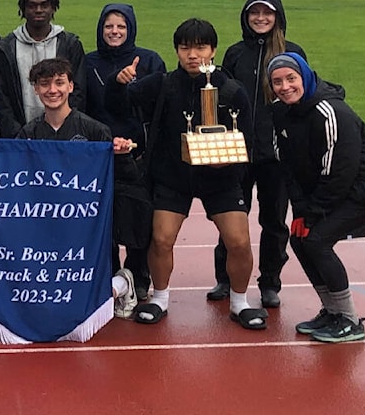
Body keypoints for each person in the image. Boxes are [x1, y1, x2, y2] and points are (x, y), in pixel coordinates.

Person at [106, 18, 265, 329]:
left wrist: (228, 163)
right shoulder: (163, 83)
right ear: (177, 51)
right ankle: (161, 298)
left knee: (239, 241)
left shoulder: (232, 91)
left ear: (214, 50)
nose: (193, 54)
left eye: (201, 47)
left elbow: (247, 141)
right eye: (185, 48)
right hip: (172, 176)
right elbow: (117, 104)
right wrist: (117, 81)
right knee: (162, 238)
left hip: (221, 178)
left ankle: (239, 302)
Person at [268, 53, 365, 343]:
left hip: (363, 188)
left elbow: (339, 171)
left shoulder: (330, 112)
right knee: (299, 238)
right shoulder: (280, 112)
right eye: (277, 82)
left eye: (291, 78)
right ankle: (333, 311)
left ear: (305, 77)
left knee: (317, 241)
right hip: (328, 189)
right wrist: (299, 212)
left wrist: (313, 213)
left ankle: (348, 320)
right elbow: (288, 166)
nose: (285, 87)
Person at [15, 58, 139, 320]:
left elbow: (123, 178)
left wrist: (122, 155)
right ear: (35, 89)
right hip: (45, 225)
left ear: (71, 86)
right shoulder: (28, 133)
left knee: (92, 302)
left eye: (59, 83)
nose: (52, 90)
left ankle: (120, 284)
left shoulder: (94, 130)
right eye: (44, 84)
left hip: (88, 226)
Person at [208, 0, 308, 308]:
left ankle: (270, 283)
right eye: (255, 13)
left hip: (276, 156)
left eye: (267, 13)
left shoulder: (292, 52)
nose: (261, 18)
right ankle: (226, 278)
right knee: (232, 218)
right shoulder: (235, 54)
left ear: (277, 16)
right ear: (246, 16)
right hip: (238, 153)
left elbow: (302, 99)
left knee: (274, 222)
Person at [84, 4, 167, 300]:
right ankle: (107, 277)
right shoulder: (88, 62)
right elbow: (83, 106)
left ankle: (138, 276)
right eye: (109, 26)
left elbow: (160, 104)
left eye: (120, 26)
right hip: (100, 155)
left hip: (138, 155)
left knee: (138, 217)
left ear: (130, 28)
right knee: (103, 220)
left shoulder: (149, 60)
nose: (114, 31)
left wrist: (129, 84)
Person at [0, 0, 87, 139]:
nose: (38, 10)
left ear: (53, 8)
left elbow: (78, 91)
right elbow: (2, 98)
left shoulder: (70, 45)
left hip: (62, 136)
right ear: (23, 9)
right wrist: (19, 135)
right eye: (32, 5)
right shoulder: (6, 48)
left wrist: (66, 129)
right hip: (20, 137)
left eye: (44, 5)